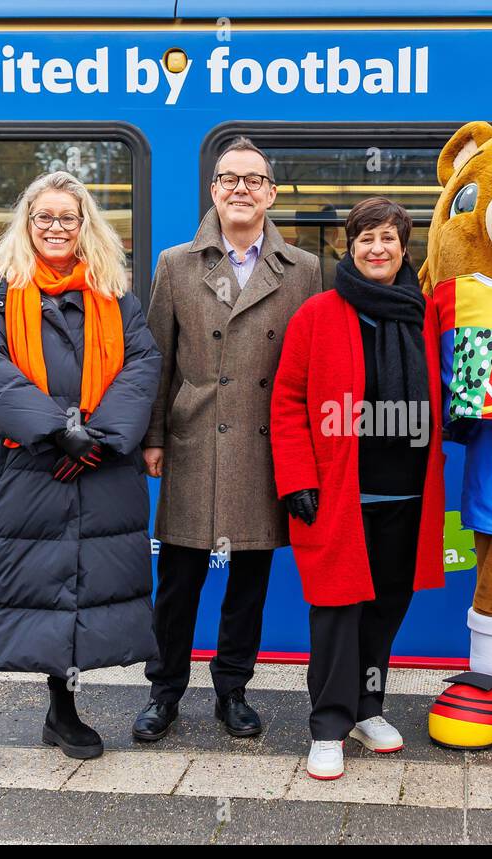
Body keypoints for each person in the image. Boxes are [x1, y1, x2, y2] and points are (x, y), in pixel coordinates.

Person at [0, 171, 161, 790]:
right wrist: (55, 432)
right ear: (27, 222)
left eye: (67, 218)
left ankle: (63, 712)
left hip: (96, 466)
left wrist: (96, 437)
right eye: (43, 216)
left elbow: (144, 361)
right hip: (23, 466)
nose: (54, 227)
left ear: (84, 225)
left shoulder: (113, 293)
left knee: (72, 590)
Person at [132, 137, 321, 742]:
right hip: (192, 441)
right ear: (213, 190)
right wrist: (154, 436)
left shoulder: (304, 270)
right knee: (179, 580)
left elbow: (311, 370)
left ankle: (232, 690)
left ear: (269, 192)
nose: (241, 189)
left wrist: (308, 453)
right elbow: (157, 360)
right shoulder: (176, 264)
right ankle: (164, 693)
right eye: (228, 179)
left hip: (266, 448)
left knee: (249, 580)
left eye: (253, 180)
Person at [271, 197, 445, 780]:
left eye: (388, 239)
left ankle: (369, 707)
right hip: (340, 494)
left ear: (404, 248)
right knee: (337, 612)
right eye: (366, 238)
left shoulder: (425, 314)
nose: (377, 248)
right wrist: (296, 477)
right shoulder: (318, 313)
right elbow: (289, 400)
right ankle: (328, 724)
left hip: (407, 494)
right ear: (349, 246)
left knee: (386, 609)